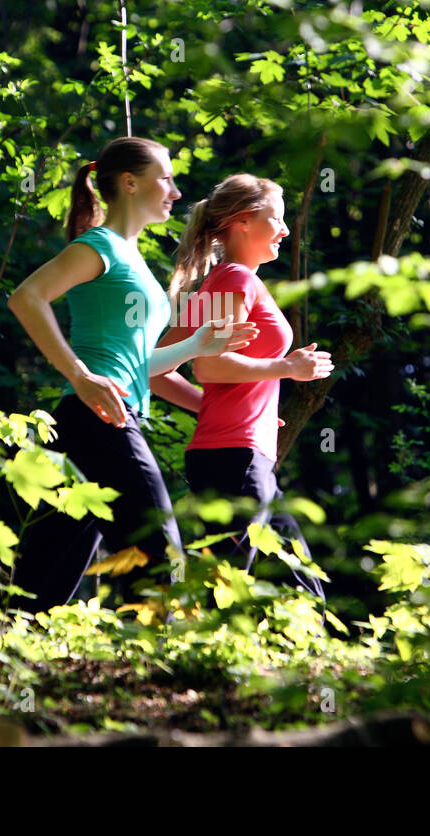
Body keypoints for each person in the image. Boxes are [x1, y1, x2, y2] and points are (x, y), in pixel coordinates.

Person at [5, 137, 258, 613]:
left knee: (46, 573)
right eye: (166, 178)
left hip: (98, 415)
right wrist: (80, 376)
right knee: (158, 546)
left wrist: (193, 346)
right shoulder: (98, 246)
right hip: (97, 416)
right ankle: (172, 671)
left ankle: (2, 663)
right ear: (130, 182)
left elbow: (133, 362)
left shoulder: (133, 257)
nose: (176, 192)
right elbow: (27, 298)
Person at [150, 174, 333, 598]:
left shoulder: (218, 283)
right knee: (228, 583)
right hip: (237, 459)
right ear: (244, 221)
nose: (286, 230)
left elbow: (156, 372)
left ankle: (312, 661)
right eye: (277, 219)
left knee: (302, 583)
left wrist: (221, 409)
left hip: (232, 454)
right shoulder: (236, 280)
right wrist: (286, 366)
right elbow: (211, 367)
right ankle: (183, 656)